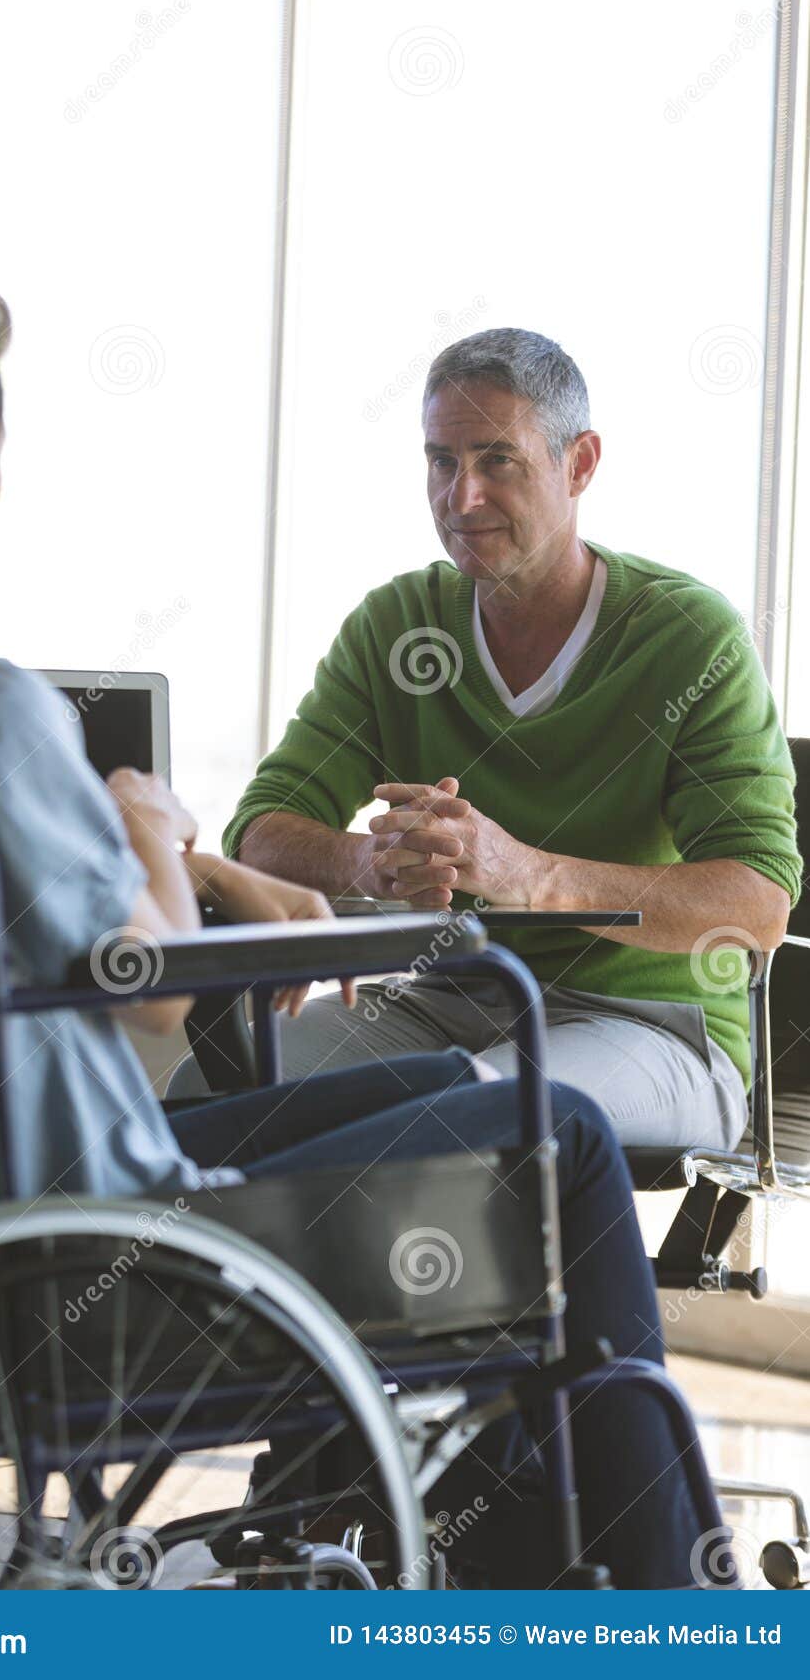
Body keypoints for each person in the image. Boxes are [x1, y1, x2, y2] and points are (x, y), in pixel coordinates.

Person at [0, 280, 722, 1587]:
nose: (462, 492)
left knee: (448, 1087)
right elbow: (147, 988)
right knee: (558, 1138)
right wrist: (153, 829)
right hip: (96, 1263)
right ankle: (653, 1592)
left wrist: (194, 860)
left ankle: (428, 1534)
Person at [212, 327, 801, 1150]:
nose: (461, 499)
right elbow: (259, 831)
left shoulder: (688, 636)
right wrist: (371, 865)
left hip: (655, 1030)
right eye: (441, 462)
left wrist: (523, 873)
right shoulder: (396, 625)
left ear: (578, 464)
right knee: (220, 1075)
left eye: (497, 461)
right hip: (448, 1000)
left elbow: (756, 905)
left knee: (462, 1113)